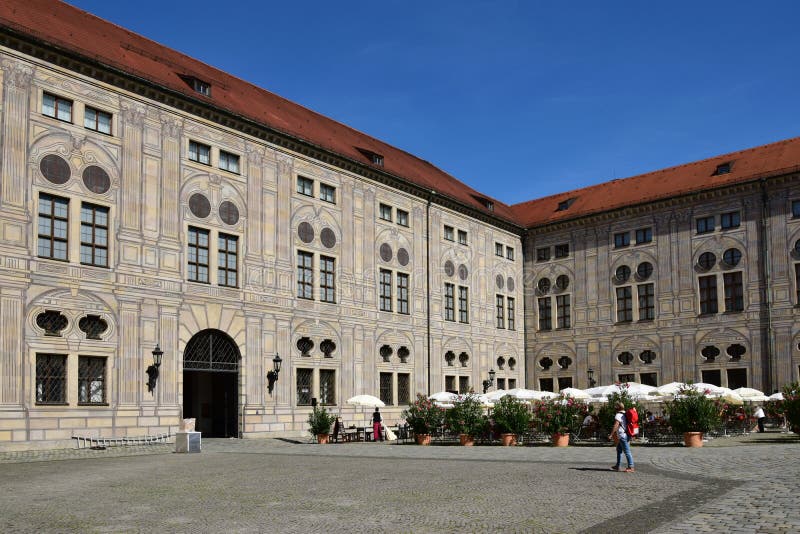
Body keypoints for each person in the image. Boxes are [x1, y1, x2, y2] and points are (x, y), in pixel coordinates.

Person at [609, 402, 634, 473]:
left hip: (622, 436)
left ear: (617, 408)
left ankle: (631, 467)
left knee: (627, 451)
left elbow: (616, 425)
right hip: (626, 434)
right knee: (619, 450)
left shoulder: (618, 415)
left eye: (615, 407)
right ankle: (618, 466)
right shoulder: (625, 413)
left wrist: (611, 434)